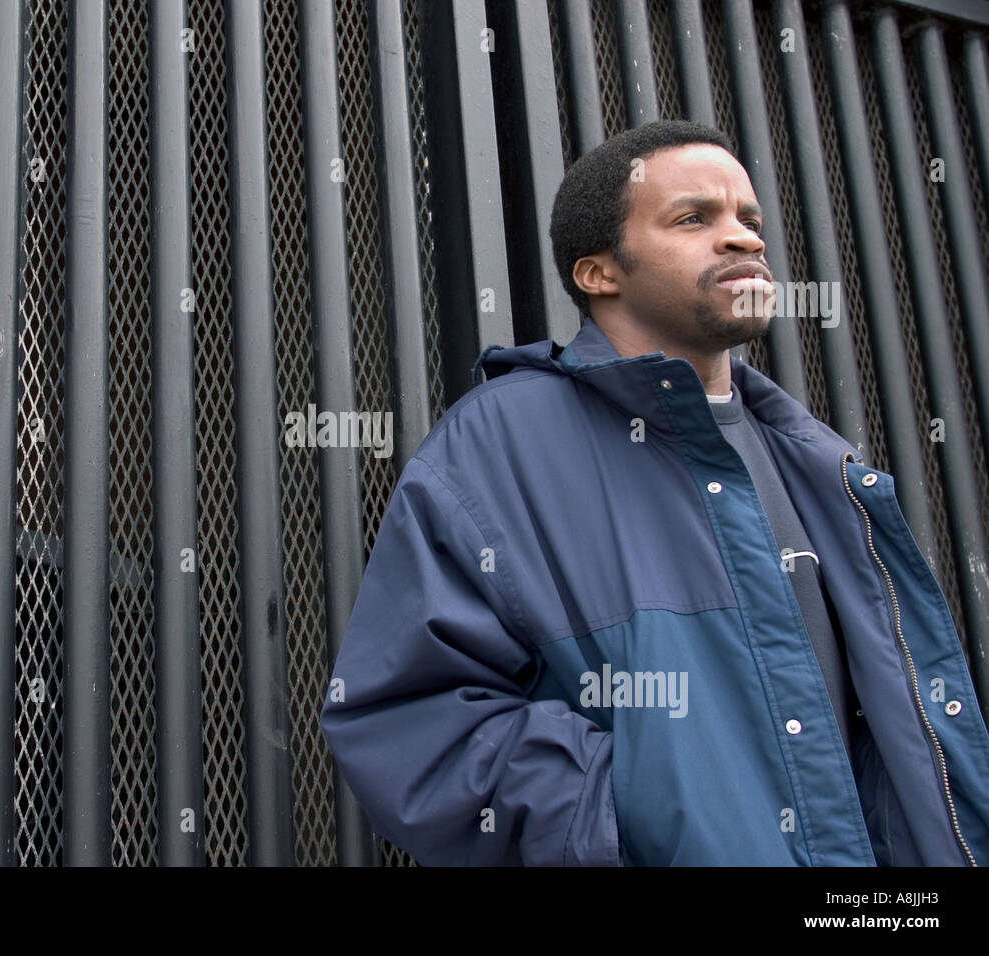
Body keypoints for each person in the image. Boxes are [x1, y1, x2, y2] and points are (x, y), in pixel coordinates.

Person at [319, 119, 989, 866]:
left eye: (749, 219)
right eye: (694, 218)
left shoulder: (816, 460)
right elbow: (411, 717)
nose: (744, 239)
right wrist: (645, 817)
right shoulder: (499, 446)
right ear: (599, 272)